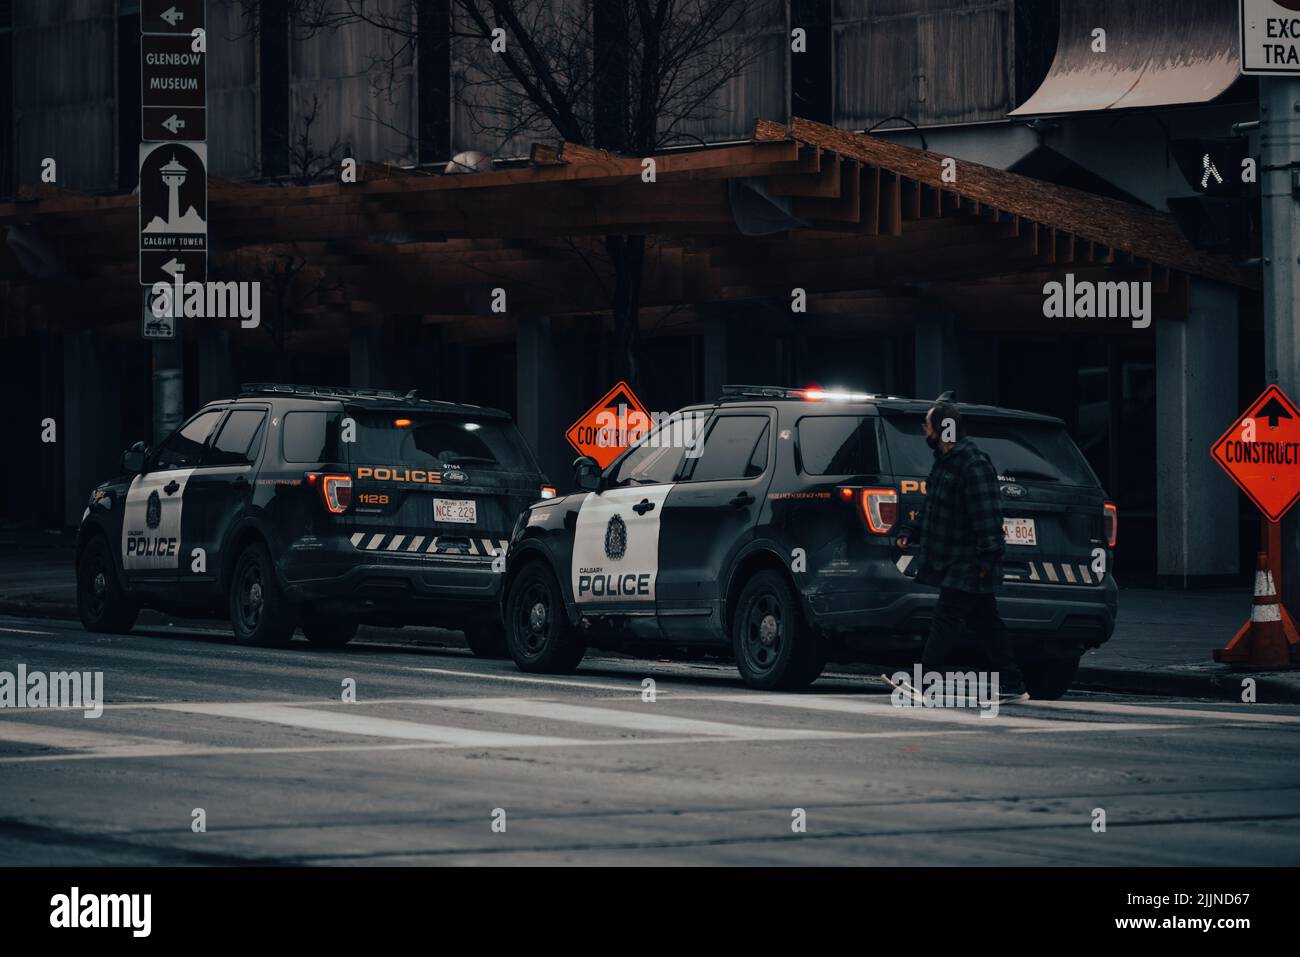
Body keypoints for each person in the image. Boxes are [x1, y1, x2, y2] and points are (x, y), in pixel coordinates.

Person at [894, 396, 1028, 701]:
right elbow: (932, 506)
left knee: (945, 618)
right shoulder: (945, 463)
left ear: (942, 430)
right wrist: (910, 531)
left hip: (969, 561)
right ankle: (1013, 684)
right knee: (987, 623)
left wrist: (985, 561)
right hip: (955, 559)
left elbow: (987, 516)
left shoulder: (972, 463)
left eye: (927, 426)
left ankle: (923, 683)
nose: (924, 432)